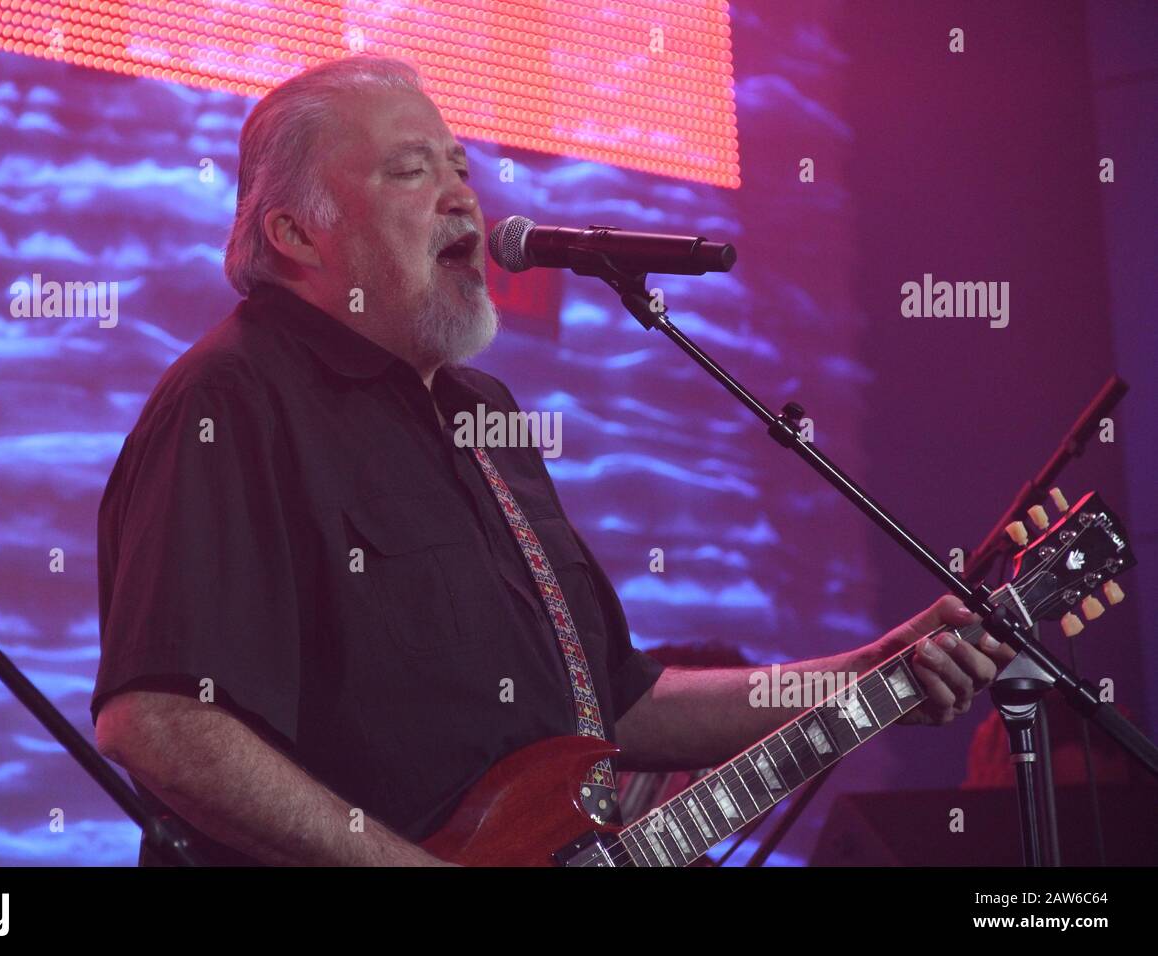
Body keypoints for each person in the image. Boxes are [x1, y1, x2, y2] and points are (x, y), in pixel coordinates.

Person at [91, 56, 1015, 866]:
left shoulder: (484, 415)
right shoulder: (234, 398)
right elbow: (163, 722)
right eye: (411, 173)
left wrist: (857, 675)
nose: (464, 196)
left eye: (460, 166)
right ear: (297, 234)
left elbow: (619, 701)